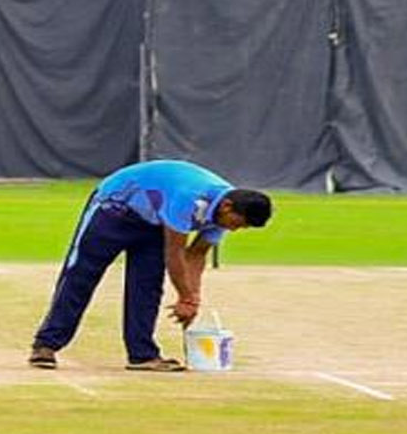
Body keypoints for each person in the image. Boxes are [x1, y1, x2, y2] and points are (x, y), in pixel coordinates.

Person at [28, 159, 271, 371]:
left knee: (147, 286)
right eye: (238, 223)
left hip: (155, 223)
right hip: (113, 210)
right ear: (227, 207)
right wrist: (185, 297)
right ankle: (46, 345)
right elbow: (175, 252)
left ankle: (142, 354)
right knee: (81, 275)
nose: (236, 229)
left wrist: (192, 298)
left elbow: (196, 255)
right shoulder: (189, 196)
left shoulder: (224, 213)